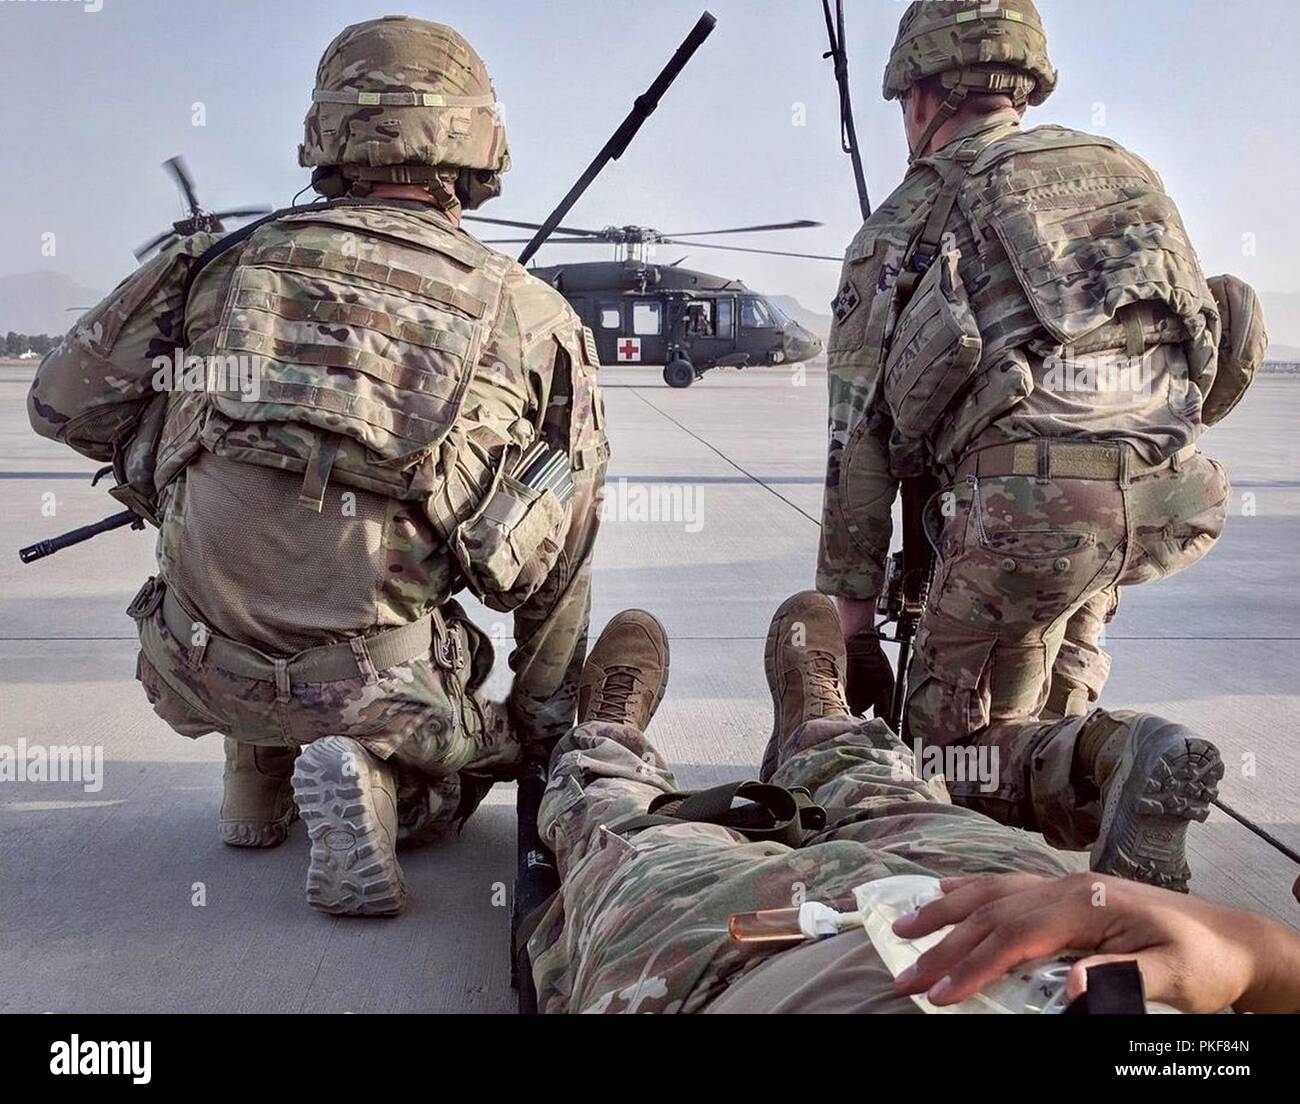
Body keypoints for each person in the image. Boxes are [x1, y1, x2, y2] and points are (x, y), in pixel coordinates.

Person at [27, 17, 607, 916]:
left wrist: (171, 455)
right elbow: (560, 565)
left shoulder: (216, 265)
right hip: (375, 690)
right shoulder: (531, 312)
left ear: (328, 133)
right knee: (459, 669)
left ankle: (253, 783)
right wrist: (537, 738)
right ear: (476, 146)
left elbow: (59, 406)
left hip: (190, 665)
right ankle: (387, 789)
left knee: (252, 524)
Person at [815, 0, 1269, 890]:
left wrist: (855, 624)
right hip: (1167, 494)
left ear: (923, 93)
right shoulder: (1125, 173)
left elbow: (858, 437)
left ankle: (1113, 764)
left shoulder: (907, 217)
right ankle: (1105, 799)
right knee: (1044, 709)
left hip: (1026, 512)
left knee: (950, 767)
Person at [526, 592, 1300, 1014]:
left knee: (630, 836)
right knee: (903, 796)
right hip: (1013, 918)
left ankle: (605, 744)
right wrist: (1251, 956)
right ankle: (821, 727)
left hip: (722, 967)